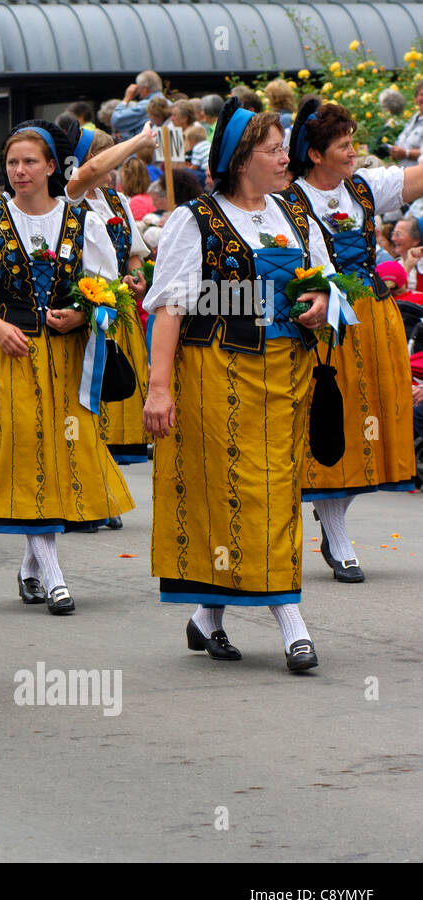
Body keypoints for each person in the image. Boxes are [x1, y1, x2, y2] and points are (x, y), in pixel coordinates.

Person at [143, 98, 332, 672]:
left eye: (283, 148)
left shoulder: (295, 216)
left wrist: (323, 303)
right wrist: (159, 386)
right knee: (240, 491)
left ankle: (209, 616)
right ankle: (290, 620)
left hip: (290, 373)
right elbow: (171, 306)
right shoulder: (194, 220)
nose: (285, 158)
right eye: (273, 149)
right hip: (218, 369)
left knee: (273, 488)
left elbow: (328, 286)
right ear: (241, 158)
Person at [0, 120, 131, 614]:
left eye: (30, 161)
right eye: (12, 162)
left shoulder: (81, 220)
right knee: (26, 450)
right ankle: (52, 573)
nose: (20, 170)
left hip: (68, 354)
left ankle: (31, 566)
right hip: (10, 353)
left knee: (62, 452)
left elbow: (109, 291)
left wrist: (82, 313)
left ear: (52, 167)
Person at [283, 99, 423, 581]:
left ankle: (334, 520)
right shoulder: (287, 200)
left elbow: (418, 177)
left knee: (372, 422)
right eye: (344, 146)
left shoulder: (363, 188)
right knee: (332, 422)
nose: (353, 152)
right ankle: (337, 534)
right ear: (316, 154)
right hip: (324, 322)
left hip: (375, 319)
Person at [67, 127, 155, 503]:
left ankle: (103, 485)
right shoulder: (67, 196)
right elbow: (82, 177)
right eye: (110, 156)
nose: (116, 165)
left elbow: (134, 256)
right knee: (86, 397)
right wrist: (136, 141)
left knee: (113, 396)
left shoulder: (116, 202)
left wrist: (137, 279)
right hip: (84, 313)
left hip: (117, 311)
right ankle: (88, 486)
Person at [112, 70, 165, 140]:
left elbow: (116, 120)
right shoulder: (169, 103)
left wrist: (126, 99)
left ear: (145, 89)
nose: (138, 91)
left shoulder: (147, 105)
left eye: (139, 87)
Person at [390, 82, 423, 168]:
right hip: (404, 172)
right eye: (422, 94)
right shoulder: (413, 119)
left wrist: (406, 153)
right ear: (415, 99)